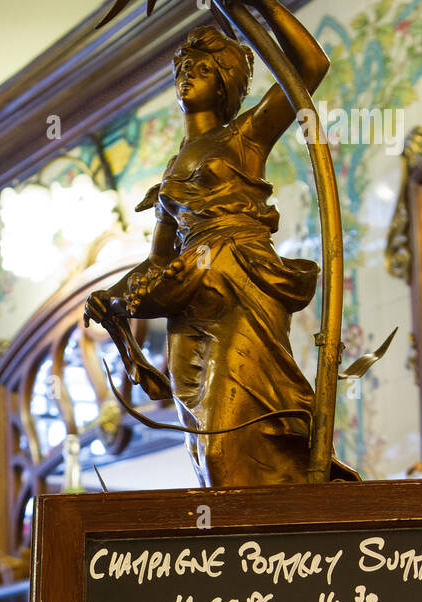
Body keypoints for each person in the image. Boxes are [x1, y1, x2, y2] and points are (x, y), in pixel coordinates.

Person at [85, 1, 356, 486]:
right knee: (203, 446)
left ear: (226, 82)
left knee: (224, 439)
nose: (188, 75)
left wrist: (261, 6)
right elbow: (157, 262)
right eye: (184, 68)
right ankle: (247, 544)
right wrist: (115, 298)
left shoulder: (245, 136)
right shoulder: (171, 170)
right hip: (190, 306)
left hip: (241, 285)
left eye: (204, 68)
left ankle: (276, 535)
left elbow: (311, 66)